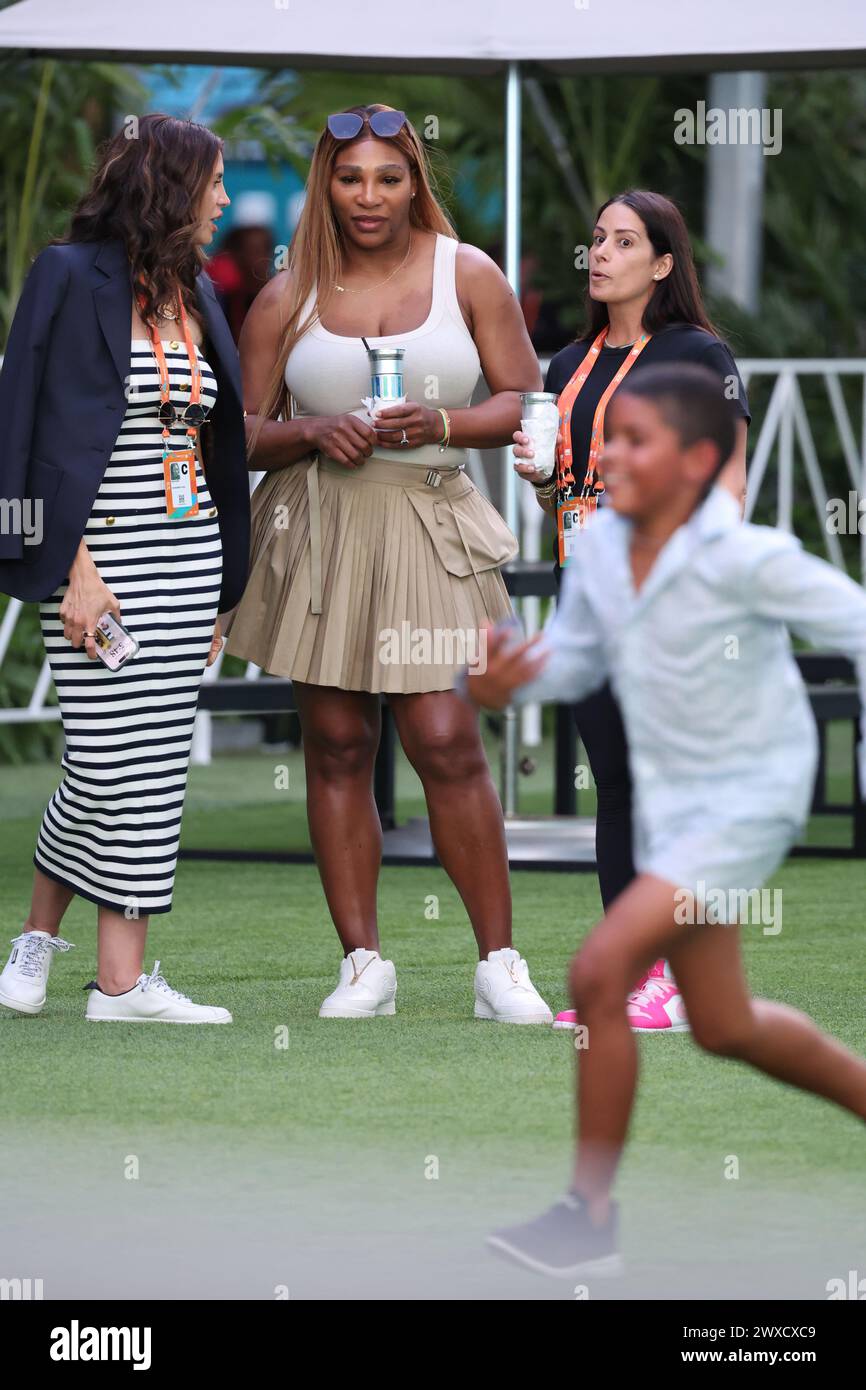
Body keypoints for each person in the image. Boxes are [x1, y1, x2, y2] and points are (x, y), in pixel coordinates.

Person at [461, 363, 866, 1276]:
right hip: (673, 805)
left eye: (633, 439)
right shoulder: (599, 545)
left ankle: (587, 1220)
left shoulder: (747, 557)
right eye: (609, 438)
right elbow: (575, 663)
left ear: (697, 460)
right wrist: (506, 681)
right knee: (725, 1026)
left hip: (750, 800)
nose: (607, 452)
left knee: (600, 971)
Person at [223, 104, 552, 1022]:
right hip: (321, 530)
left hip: (432, 527)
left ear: (416, 182)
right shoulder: (286, 294)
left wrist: (440, 421)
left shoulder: (468, 273)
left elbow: (525, 399)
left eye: (388, 178)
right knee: (335, 746)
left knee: (445, 739)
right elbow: (239, 435)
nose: (369, 196)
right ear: (325, 185)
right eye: (349, 177)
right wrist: (310, 430)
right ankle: (363, 963)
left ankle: (500, 965)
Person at [0, 115, 250, 1023]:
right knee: (119, 764)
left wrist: (226, 584)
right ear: (172, 186)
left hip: (187, 560)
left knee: (132, 763)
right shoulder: (66, 276)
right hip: (95, 566)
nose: (225, 199)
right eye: (214, 182)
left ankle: (38, 939)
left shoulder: (198, 293)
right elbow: (19, 433)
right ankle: (118, 985)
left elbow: (217, 446)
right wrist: (71, 567)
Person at [513, 190, 750, 1032]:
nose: (601, 254)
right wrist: (543, 482)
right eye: (596, 240)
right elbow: (571, 507)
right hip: (588, 596)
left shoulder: (697, 353)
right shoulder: (566, 365)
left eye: (624, 241)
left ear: (662, 263)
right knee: (615, 784)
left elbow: (728, 484)